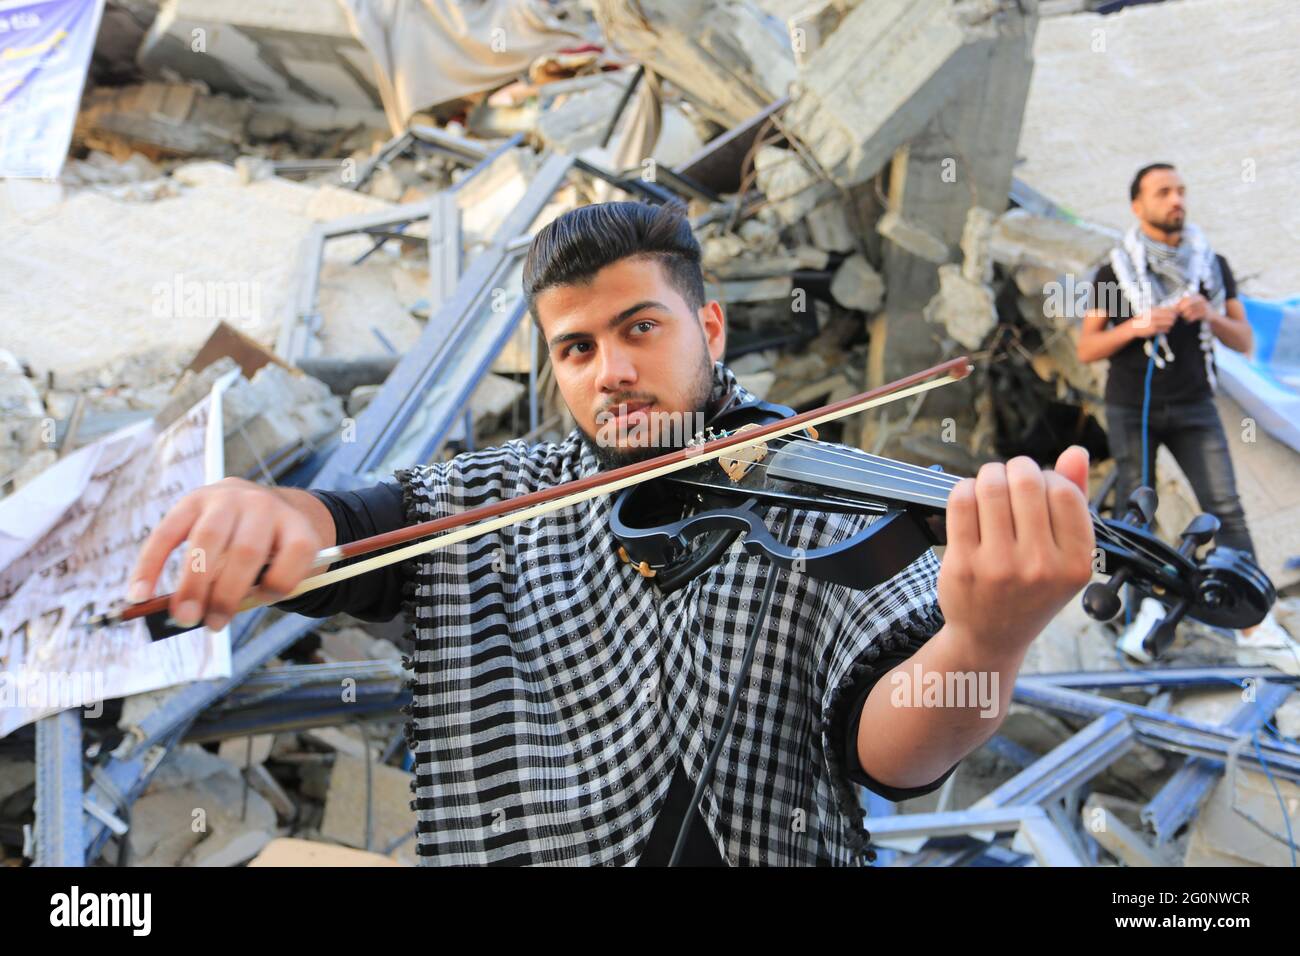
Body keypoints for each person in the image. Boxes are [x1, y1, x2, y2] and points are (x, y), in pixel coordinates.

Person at [128, 202, 1095, 865]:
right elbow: (345, 529)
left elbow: (891, 757)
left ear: (709, 327)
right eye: (577, 348)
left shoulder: (816, 487)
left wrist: (985, 640)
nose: (611, 372)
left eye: (641, 329)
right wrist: (274, 513)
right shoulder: (501, 497)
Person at [1078, 163, 1291, 661]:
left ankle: (1251, 620)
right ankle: (1137, 621)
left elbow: (1245, 340)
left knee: (1224, 507)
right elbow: (1088, 347)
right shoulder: (1114, 269)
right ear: (1138, 206)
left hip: (1197, 404)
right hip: (1133, 406)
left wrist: (1209, 315)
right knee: (1135, 515)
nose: (1176, 200)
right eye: (1163, 192)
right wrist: (1136, 326)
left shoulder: (1210, 265)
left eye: (1180, 191)